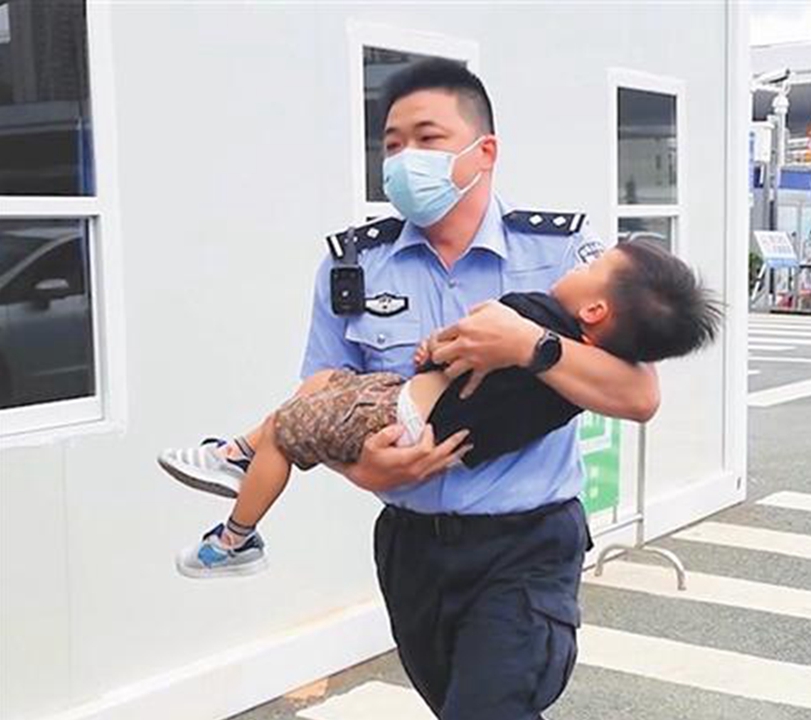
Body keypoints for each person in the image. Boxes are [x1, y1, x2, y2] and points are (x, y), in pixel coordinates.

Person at [164, 58, 662, 720]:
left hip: (527, 544)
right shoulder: (353, 265)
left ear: (484, 151)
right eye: (391, 144)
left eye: (427, 139)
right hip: (412, 547)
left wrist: (528, 346)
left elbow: (638, 395)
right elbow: (317, 394)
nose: (403, 159)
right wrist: (361, 468)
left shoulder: (564, 257)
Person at [160, 241, 719, 577]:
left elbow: (450, 345)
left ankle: (236, 535)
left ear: (595, 307)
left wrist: (433, 348)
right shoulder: (575, 386)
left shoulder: (529, 310)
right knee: (326, 384)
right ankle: (235, 455)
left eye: (592, 265)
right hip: (424, 444)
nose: (578, 263)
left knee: (285, 429)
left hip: (399, 419)